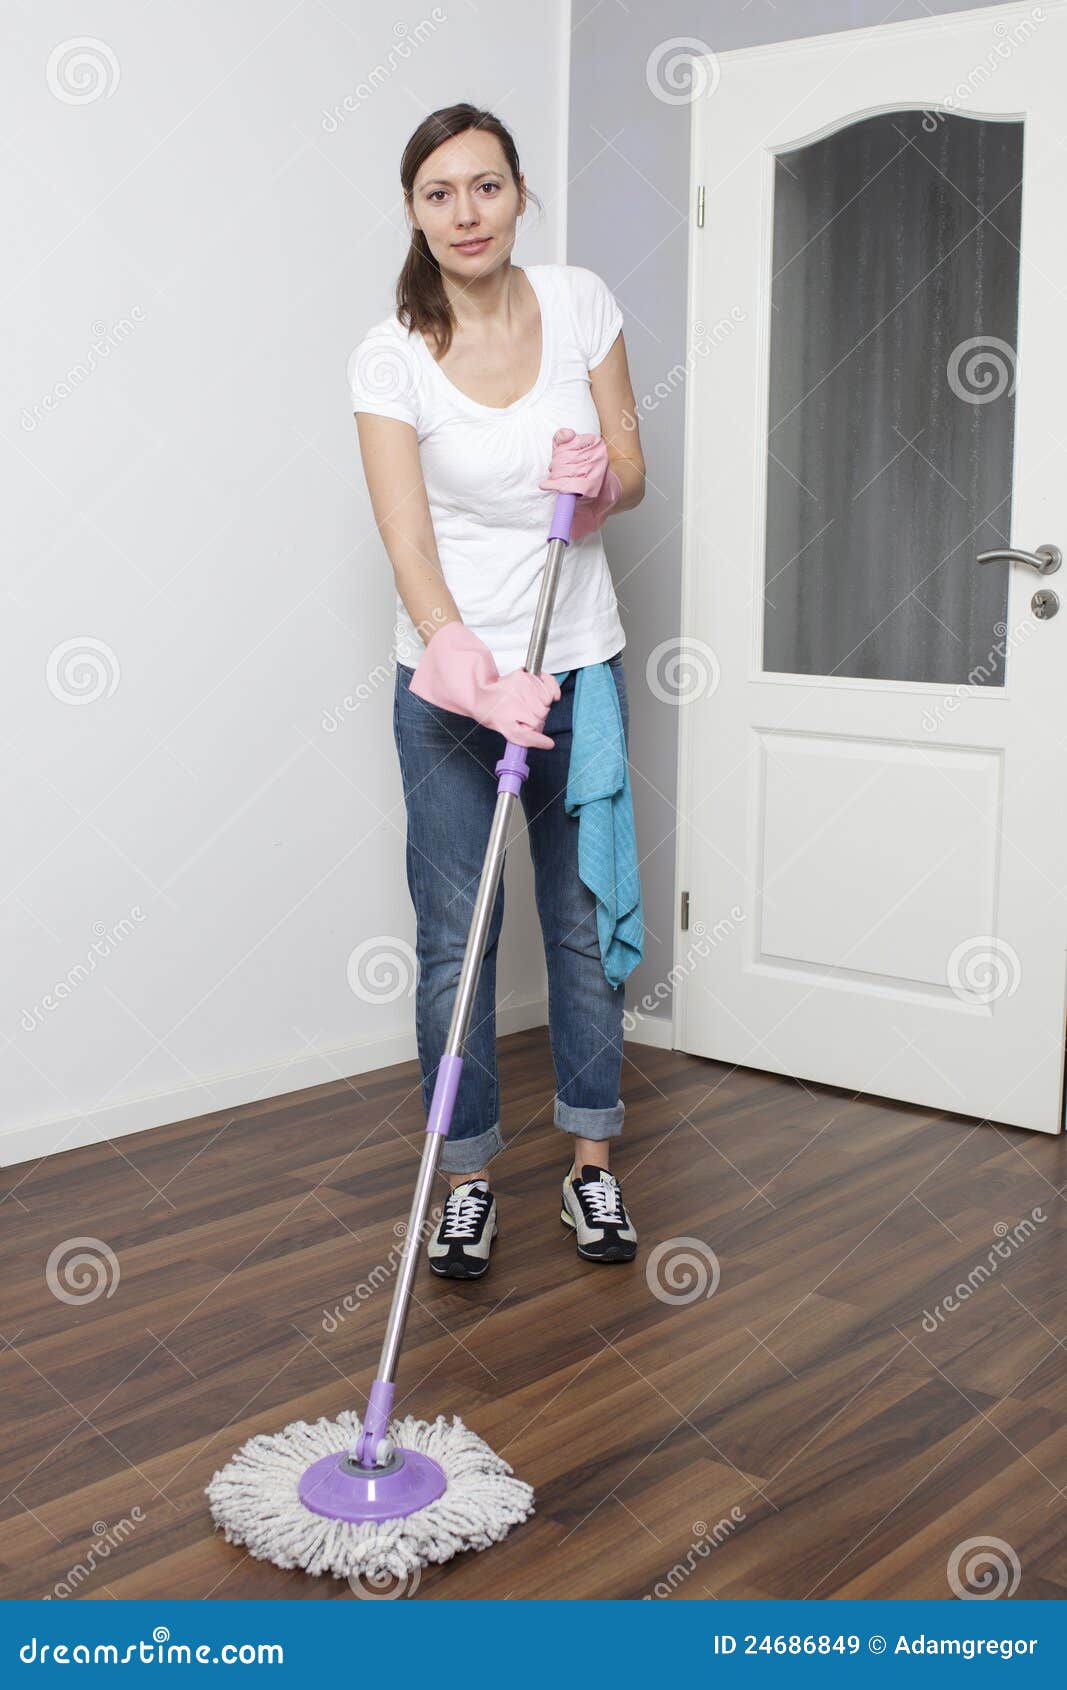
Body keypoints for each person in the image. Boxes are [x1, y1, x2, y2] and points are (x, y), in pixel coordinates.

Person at [347, 102, 646, 1279]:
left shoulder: (578, 303)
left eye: (484, 187)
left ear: (520, 195)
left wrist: (601, 483)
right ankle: (465, 1181)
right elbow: (406, 539)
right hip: (451, 681)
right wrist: (458, 662)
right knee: (453, 942)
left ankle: (591, 1171)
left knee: (577, 931)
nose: (463, 213)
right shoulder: (389, 353)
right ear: (414, 212)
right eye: (437, 193)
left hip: (574, 656)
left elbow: (628, 462)